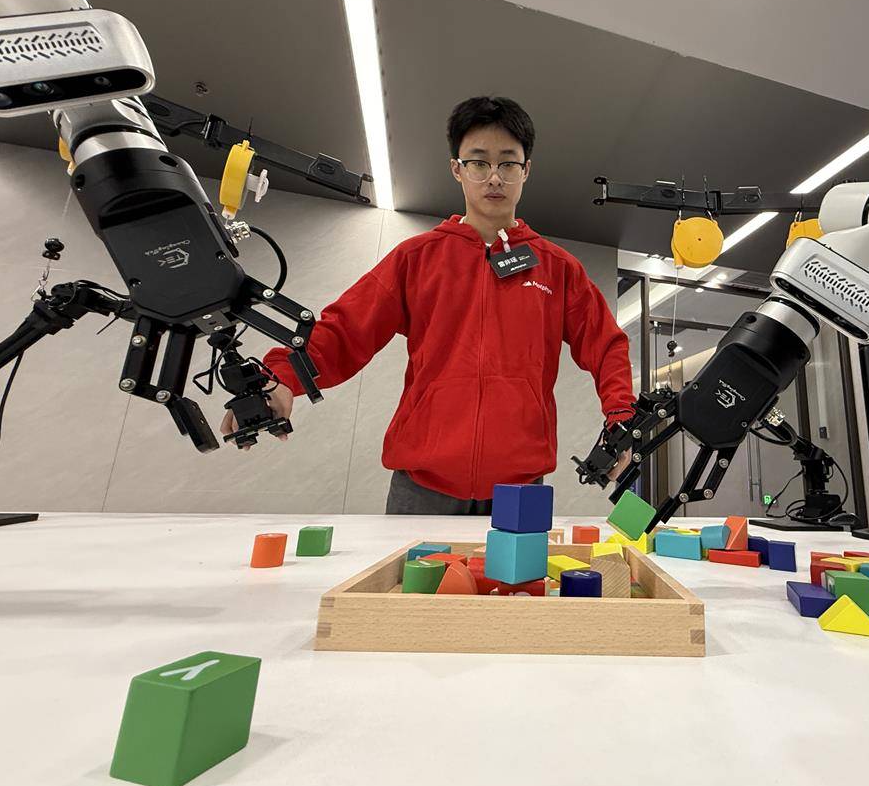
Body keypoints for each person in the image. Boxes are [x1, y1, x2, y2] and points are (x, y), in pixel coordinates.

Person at [222, 96, 634, 514]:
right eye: (479, 162)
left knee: (521, 565)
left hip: (521, 487)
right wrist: (280, 377)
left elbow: (605, 344)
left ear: (525, 171)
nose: (494, 177)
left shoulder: (557, 268)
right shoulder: (416, 259)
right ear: (457, 169)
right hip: (421, 488)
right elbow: (344, 330)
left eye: (508, 163)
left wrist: (620, 413)